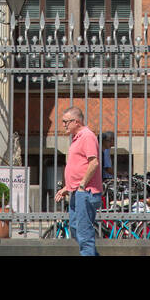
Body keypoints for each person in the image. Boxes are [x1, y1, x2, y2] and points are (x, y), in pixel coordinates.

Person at [54, 106, 102, 256]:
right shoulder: (77, 138)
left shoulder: (87, 136)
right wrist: (67, 188)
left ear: (76, 121)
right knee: (75, 228)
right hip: (77, 192)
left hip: (85, 192)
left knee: (84, 234)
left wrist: (81, 185)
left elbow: (93, 163)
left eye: (65, 122)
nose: (63, 125)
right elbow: (78, 166)